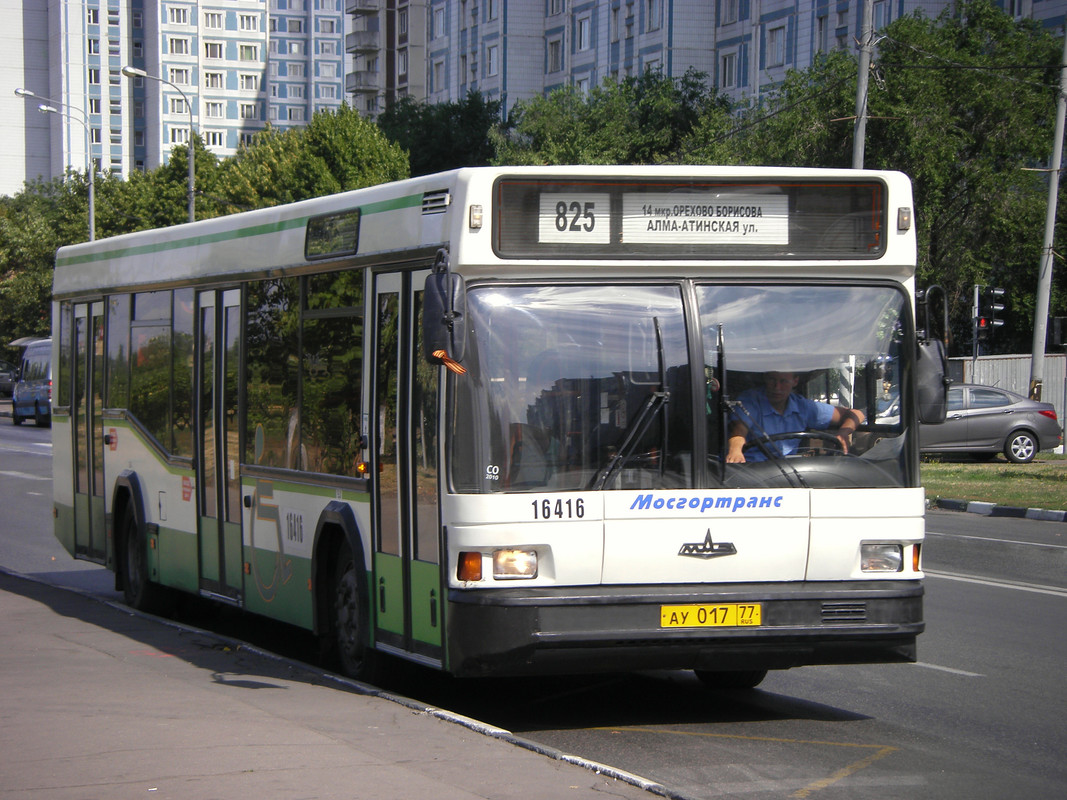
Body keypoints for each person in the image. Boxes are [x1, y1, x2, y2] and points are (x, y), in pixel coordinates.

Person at [726, 371, 864, 463]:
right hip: (751, 472)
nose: (777, 387)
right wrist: (735, 451)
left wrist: (844, 433)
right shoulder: (750, 401)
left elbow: (856, 414)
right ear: (765, 379)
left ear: (795, 381)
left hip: (790, 473)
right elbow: (739, 430)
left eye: (784, 381)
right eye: (772, 380)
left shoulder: (803, 406)